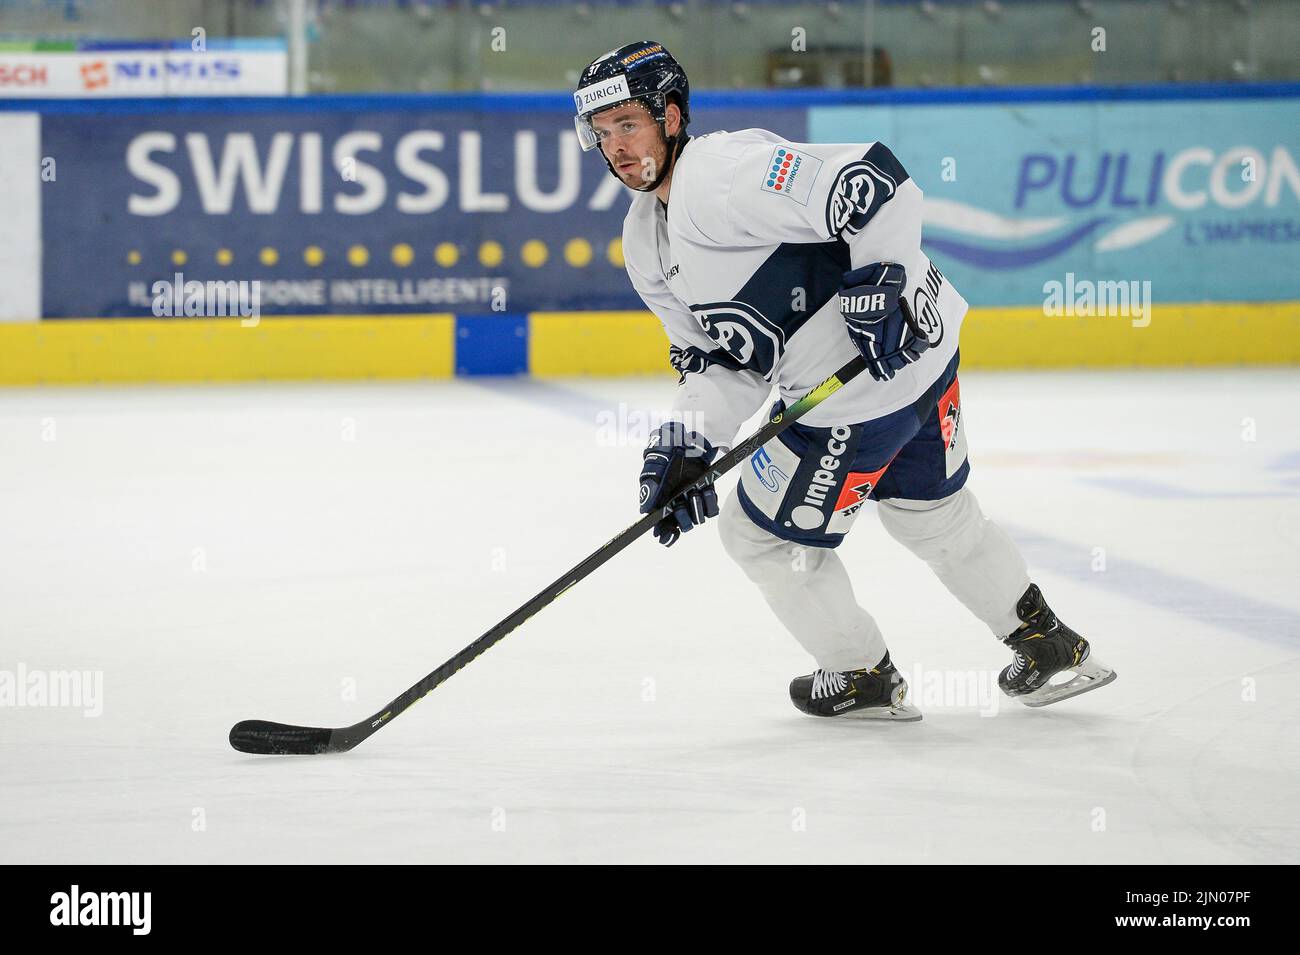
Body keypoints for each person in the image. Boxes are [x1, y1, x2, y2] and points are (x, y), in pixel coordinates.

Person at [573, 41, 1116, 720]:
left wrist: (880, 280)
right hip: (922, 359)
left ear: (672, 116)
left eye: (629, 123)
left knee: (758, 536)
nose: (616, 146)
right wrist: (687, 441)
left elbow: (876, 182)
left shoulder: (720, 173)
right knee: (934, 516)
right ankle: (1049, 642)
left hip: (860, 394)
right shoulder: (644, 242)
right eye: (602, 133)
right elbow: (727, 361)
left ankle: (859, 672)